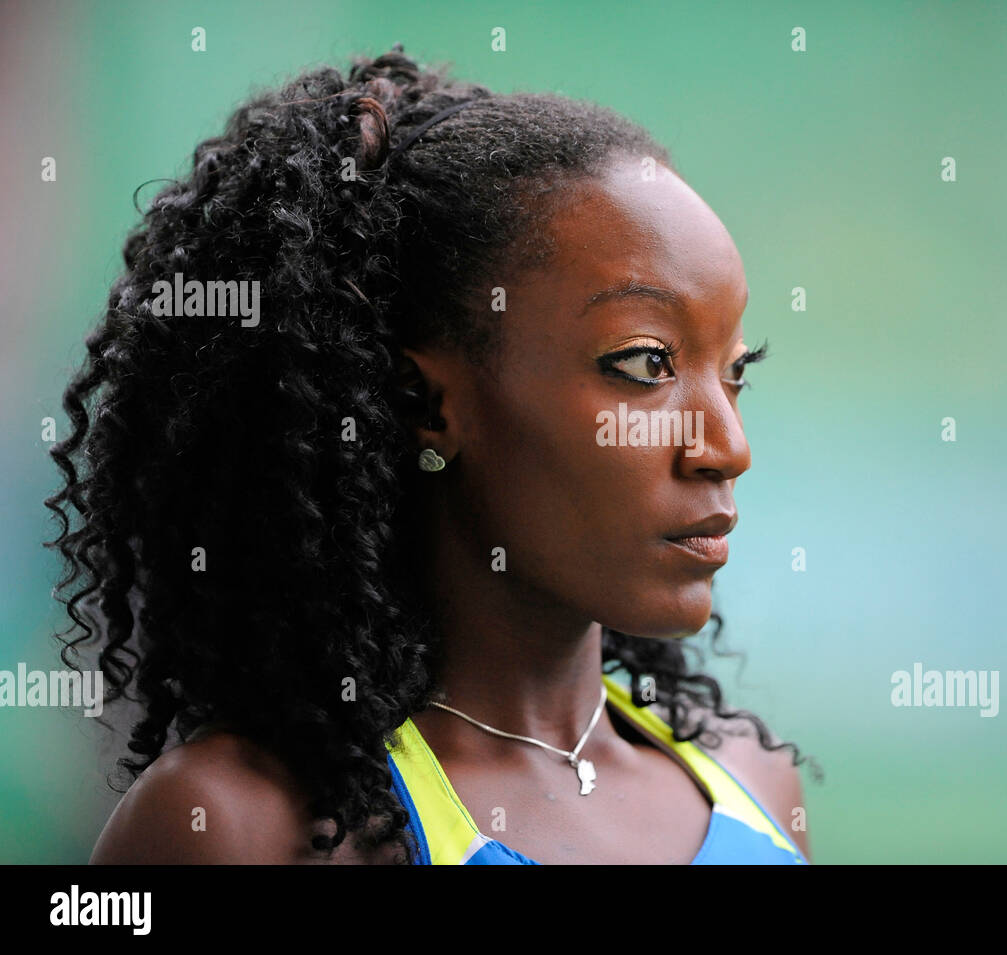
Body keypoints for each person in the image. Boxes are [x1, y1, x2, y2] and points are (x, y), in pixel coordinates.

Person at [48, 45, 817, 864]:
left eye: (734, 373)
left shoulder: (758, 786)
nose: (726, 448)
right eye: (644, 363)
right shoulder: (244, 828)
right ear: (425, 402)